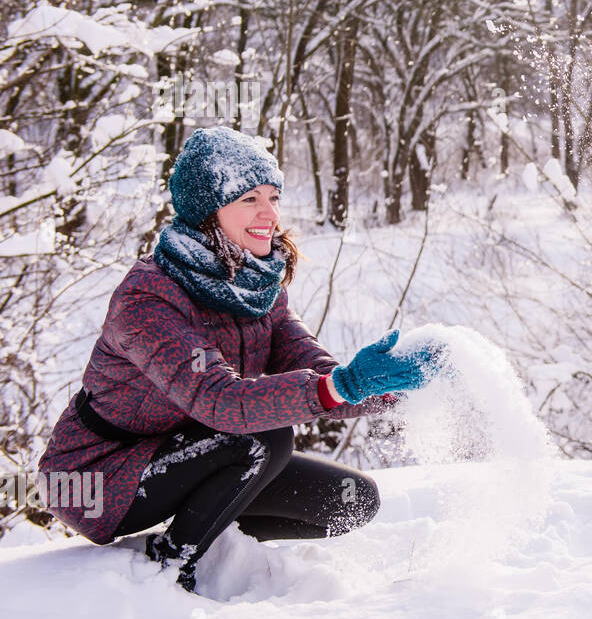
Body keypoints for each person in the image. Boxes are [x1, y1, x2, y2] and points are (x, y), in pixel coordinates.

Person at [38, 127, 443, 591]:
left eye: (273, 196)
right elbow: (220, 402)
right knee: (262, 434)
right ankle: (169, 568)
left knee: (351, 499)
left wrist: (388, 385)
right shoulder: (148, 298)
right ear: (208, 208)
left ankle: (209, 537)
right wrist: (340, 388)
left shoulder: (256, 286)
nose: (269, 214)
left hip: (194, 451)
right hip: (96, 477)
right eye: (250, 198)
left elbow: (310, 364)